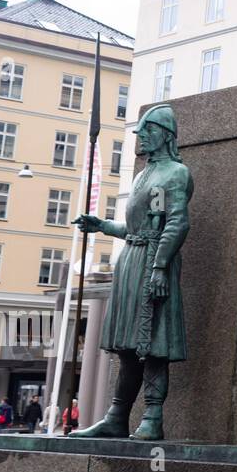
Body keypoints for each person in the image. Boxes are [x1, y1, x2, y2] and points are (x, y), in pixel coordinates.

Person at [71, 104, 192, 441]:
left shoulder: (174, 174)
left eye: (148, 131)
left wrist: (159, 267)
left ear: (164, 134)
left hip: (154, 262)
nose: (141, 137)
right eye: (140, 132)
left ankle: (152, 417)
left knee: (154, 343)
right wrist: (104, 226)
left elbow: (175, 223)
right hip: (132, 262)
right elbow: (141, 226)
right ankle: (116, 416)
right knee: (128, 347)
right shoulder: (144, 175)